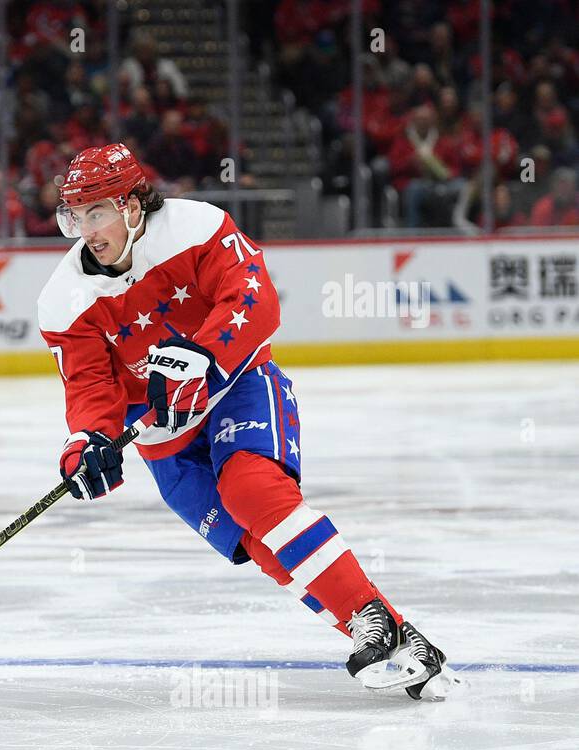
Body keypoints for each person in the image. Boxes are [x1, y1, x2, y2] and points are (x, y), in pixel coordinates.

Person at [38, 143, 462, 701]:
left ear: (134, 204)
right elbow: (90, 387)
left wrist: (206, 359)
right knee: (256, 543)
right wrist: (86, 444)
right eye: (77, 215)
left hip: (237, 387)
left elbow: (255, 298)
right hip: (164, 437)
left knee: (252, 490)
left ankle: (370, 617)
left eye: (99, 212)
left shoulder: (196, 227)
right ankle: (399, 641)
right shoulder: (64, 300)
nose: (88, 230)